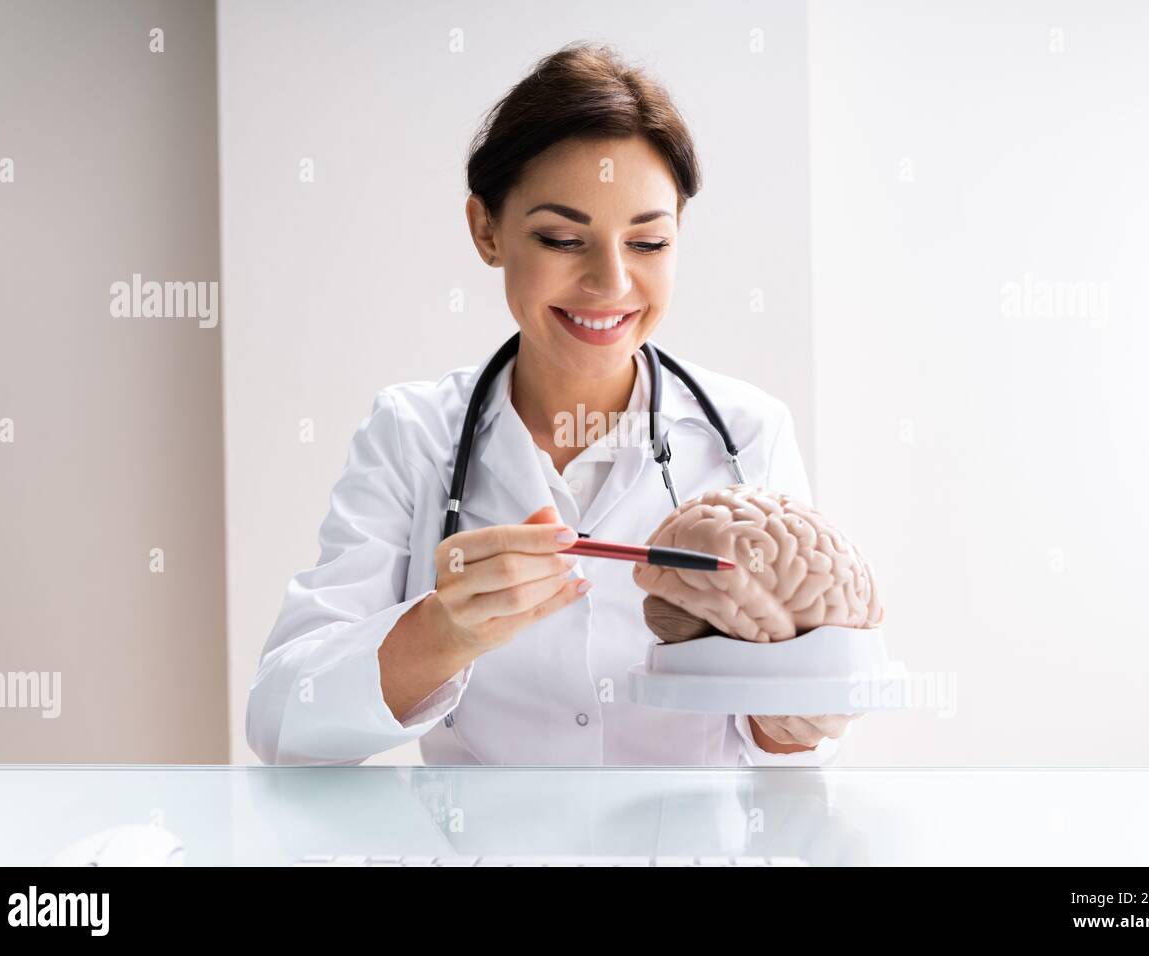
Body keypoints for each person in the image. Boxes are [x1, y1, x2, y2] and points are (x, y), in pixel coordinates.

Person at [246, 42, 856, 766]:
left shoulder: (748, 433)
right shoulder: (411, 434)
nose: (610, 281)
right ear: (487, 230)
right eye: (563, 238)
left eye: (649, 241)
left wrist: (791, 722)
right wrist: (444, 631)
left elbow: (800, 742)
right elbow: (284, 722)